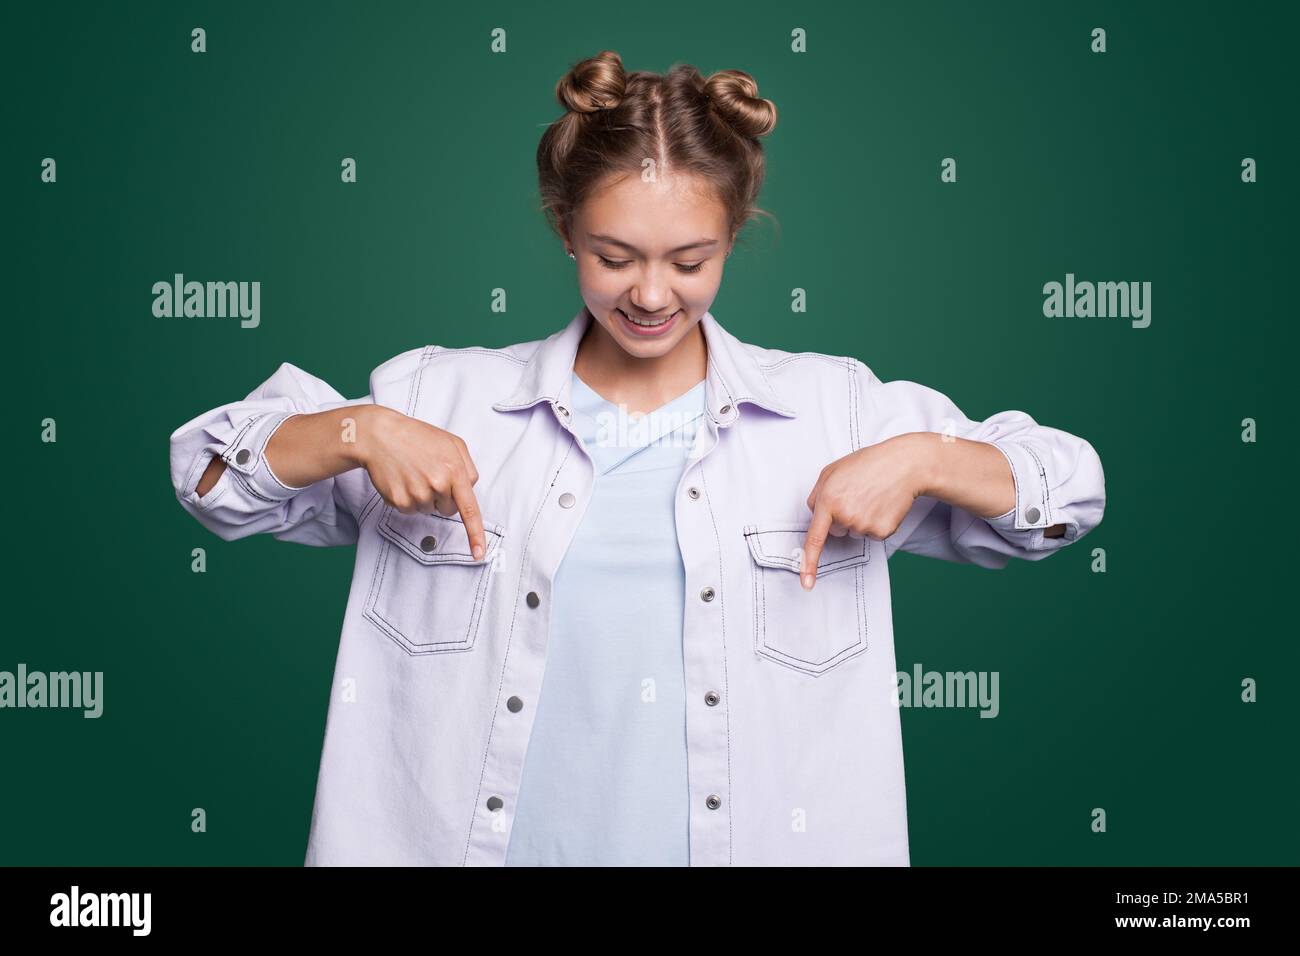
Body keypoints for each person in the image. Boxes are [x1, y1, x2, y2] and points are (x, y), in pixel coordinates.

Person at [168, 51, 1106, 866]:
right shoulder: (434, 398)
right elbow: (211, 482)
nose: (651, 293)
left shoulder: (834, 409)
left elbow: (1069, 490)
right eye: (614, 256)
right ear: (564, 230)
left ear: (734, 239)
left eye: (690, 261)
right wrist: (356, 429)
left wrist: (925, 456)